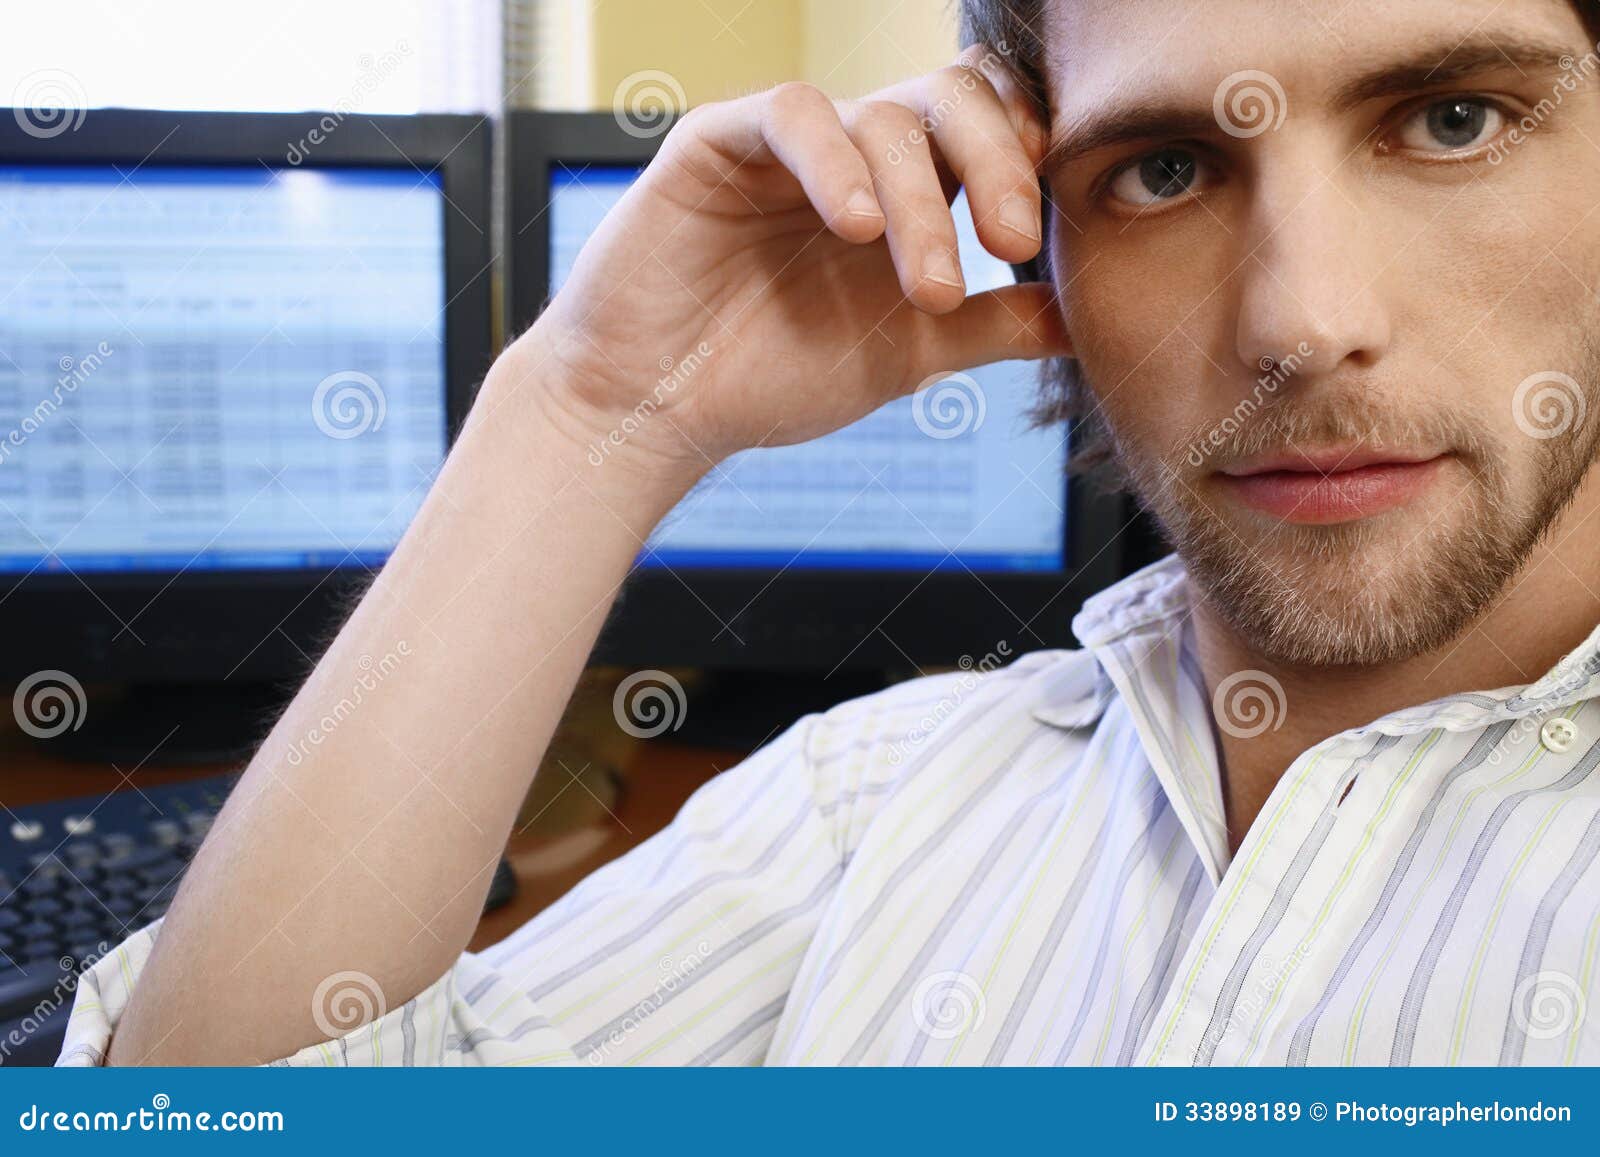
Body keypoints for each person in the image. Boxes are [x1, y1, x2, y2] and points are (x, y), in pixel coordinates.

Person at [64, 0, 1600, 1066]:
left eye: (1454, 119)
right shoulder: (867, 799)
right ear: (1035, 225)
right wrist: (592, 416)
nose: (1301, 320)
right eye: (1165, 167)